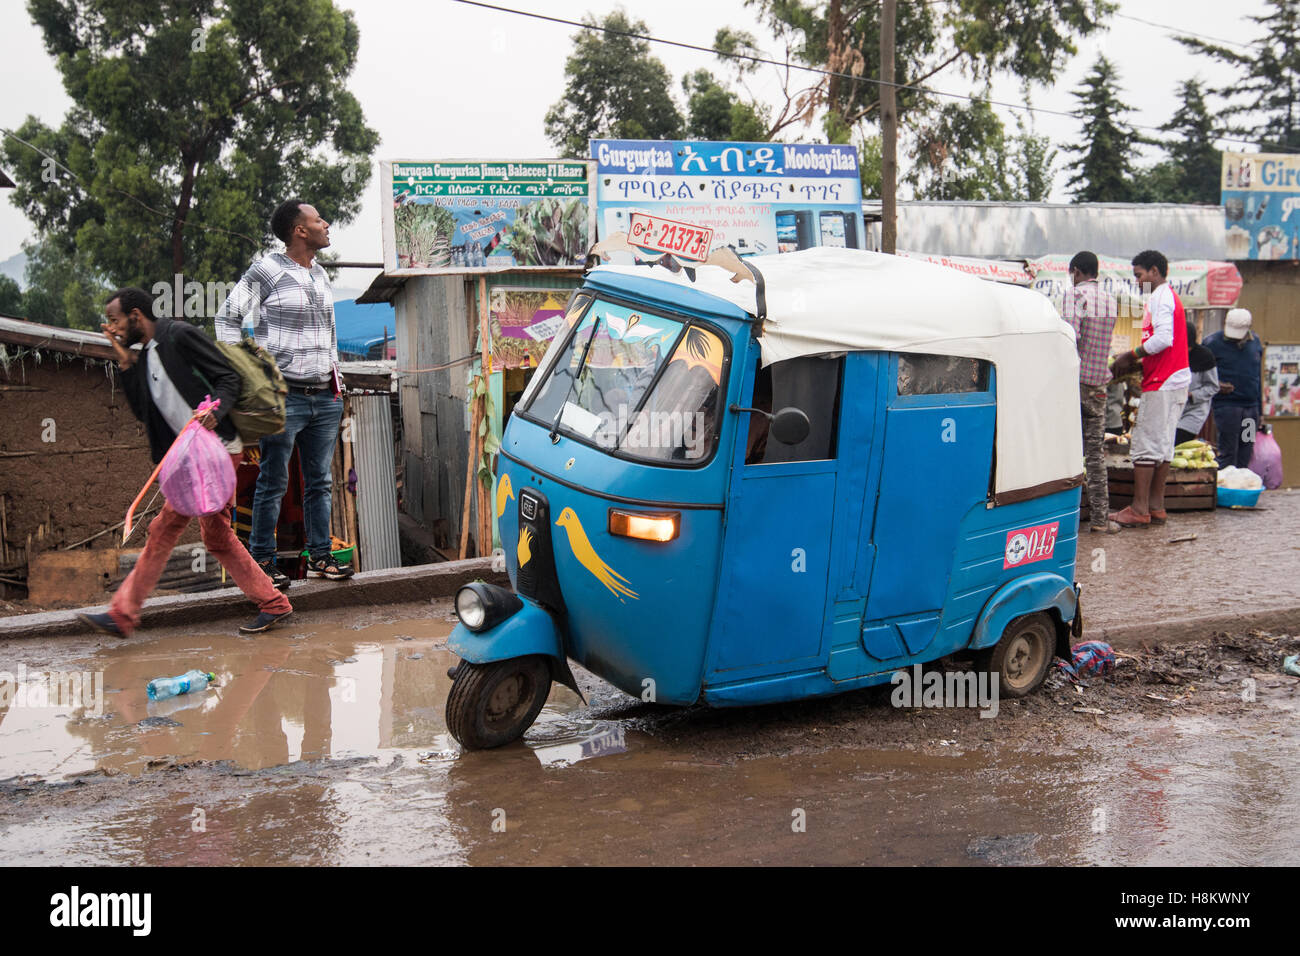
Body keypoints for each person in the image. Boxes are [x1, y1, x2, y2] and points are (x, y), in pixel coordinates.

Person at [79, 288, 293, 637]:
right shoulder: (145, 355)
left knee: (167, 530)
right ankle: (273, 603)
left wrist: (215, 410)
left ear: (136, 315)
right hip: (189, 457)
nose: (113, 328)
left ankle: (123, 614)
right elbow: (142, 413)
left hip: (217, 450)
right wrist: (124, 359)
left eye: (116, 321)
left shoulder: (179, 335)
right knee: (214, 536)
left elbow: (229, 377)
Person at [215, 199, 354, 586]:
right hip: (285, 396)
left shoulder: (321, 275)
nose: (326, 224)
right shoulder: (267, 271)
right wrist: (243, 374)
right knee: (273, 481)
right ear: (300, 230)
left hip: (325, 396)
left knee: (320, 481)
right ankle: (262, 561)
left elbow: (328, 334)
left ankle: (320, 557)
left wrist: (336, 379)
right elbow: (226, 318)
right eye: (318, 219)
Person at [1109, 250, 1191, 527]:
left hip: (1164, 380)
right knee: (1164, 446)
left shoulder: (1160, 297)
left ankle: (1139, 508)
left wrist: (1130, 355)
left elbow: (1163, 339)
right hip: (1175, 379)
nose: (1137, 281)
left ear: (1154, 271)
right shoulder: (1167, 297)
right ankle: (1156, 506)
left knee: (1145, 444)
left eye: (1139, 275)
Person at [1066, 251, 1120, 533]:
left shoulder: (1075, 295)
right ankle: (1100, 519)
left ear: (1076, 271)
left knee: (1066, 450)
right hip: (1098, 385)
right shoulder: (1110, 300)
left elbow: (1069, 337)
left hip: (1073, 384)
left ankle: (1065, 518)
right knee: (1095, 453)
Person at [1203, 308, 1264, 468]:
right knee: (1228, 451)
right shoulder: (1212, 343)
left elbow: (1258, 377)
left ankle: (1240, 488)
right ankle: (1223, 489)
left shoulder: (1255, 342)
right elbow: (1199, 374)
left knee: (1246, 449)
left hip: (1251, 409)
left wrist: (1260, 412)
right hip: (1227, 408)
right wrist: (1217, 384)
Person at [1175, 318, 1219, 446]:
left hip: (1194, 411)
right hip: (1172, 409)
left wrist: (1192, 395)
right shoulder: (1172, 354)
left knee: (1179, 443)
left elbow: (1213, 386)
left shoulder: (1204, 356)